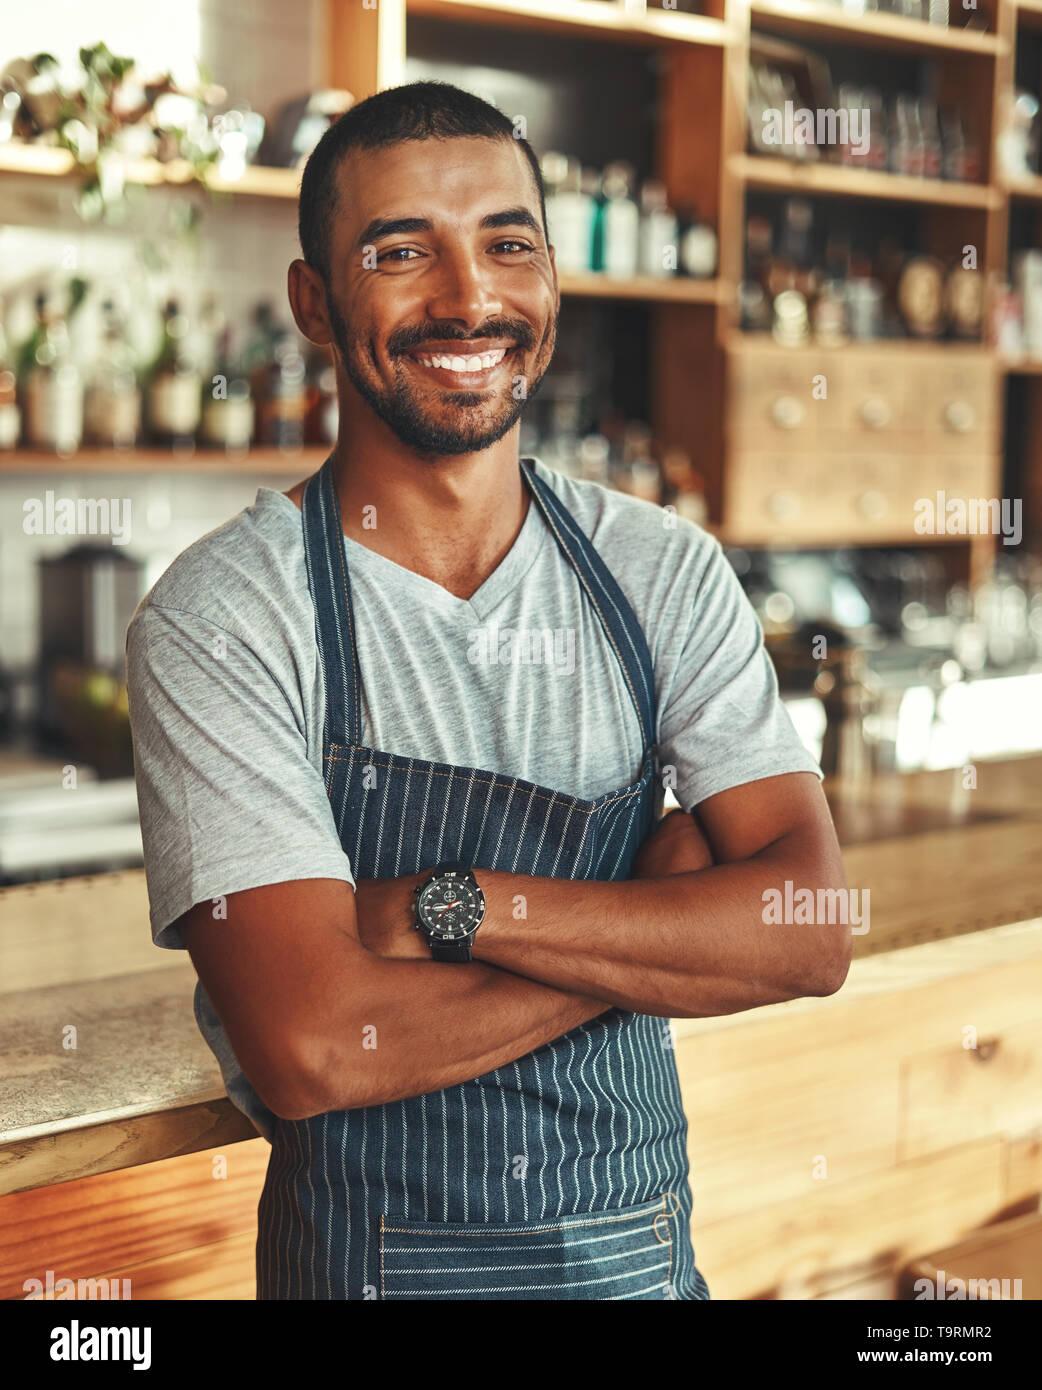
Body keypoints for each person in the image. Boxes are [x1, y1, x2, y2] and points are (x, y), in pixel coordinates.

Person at [126, 80, 850, 1302]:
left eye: (507, 244)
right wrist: (642, 918)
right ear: (314, 300)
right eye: (400, 251)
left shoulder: (657, 570)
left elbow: (810, 930)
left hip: (640, 1263)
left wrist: (455, 906)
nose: (468, 299)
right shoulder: (226, 616)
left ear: (553, 282)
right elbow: (312, 1045)